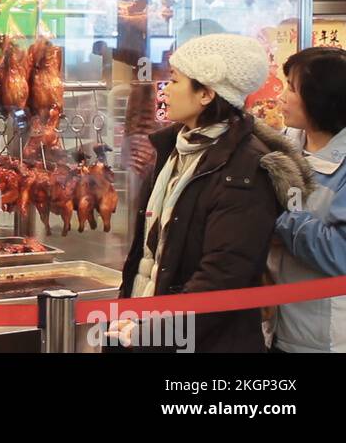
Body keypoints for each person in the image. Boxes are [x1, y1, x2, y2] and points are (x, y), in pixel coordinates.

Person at [115, 33, 311, 353]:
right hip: (147, 327)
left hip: (201, 342)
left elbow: (223, 275)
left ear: (206, 93)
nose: (166, 89)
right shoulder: (173, 149)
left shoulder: (246, 169)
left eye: (175, 81)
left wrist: (156, 332)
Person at [269, 47, 346, 353]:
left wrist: (277, 217)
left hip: (323, 337)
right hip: (275, 322)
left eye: (291, 87)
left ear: (320, 97)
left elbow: (340, 252)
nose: (280, 96)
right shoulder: (281, 143)